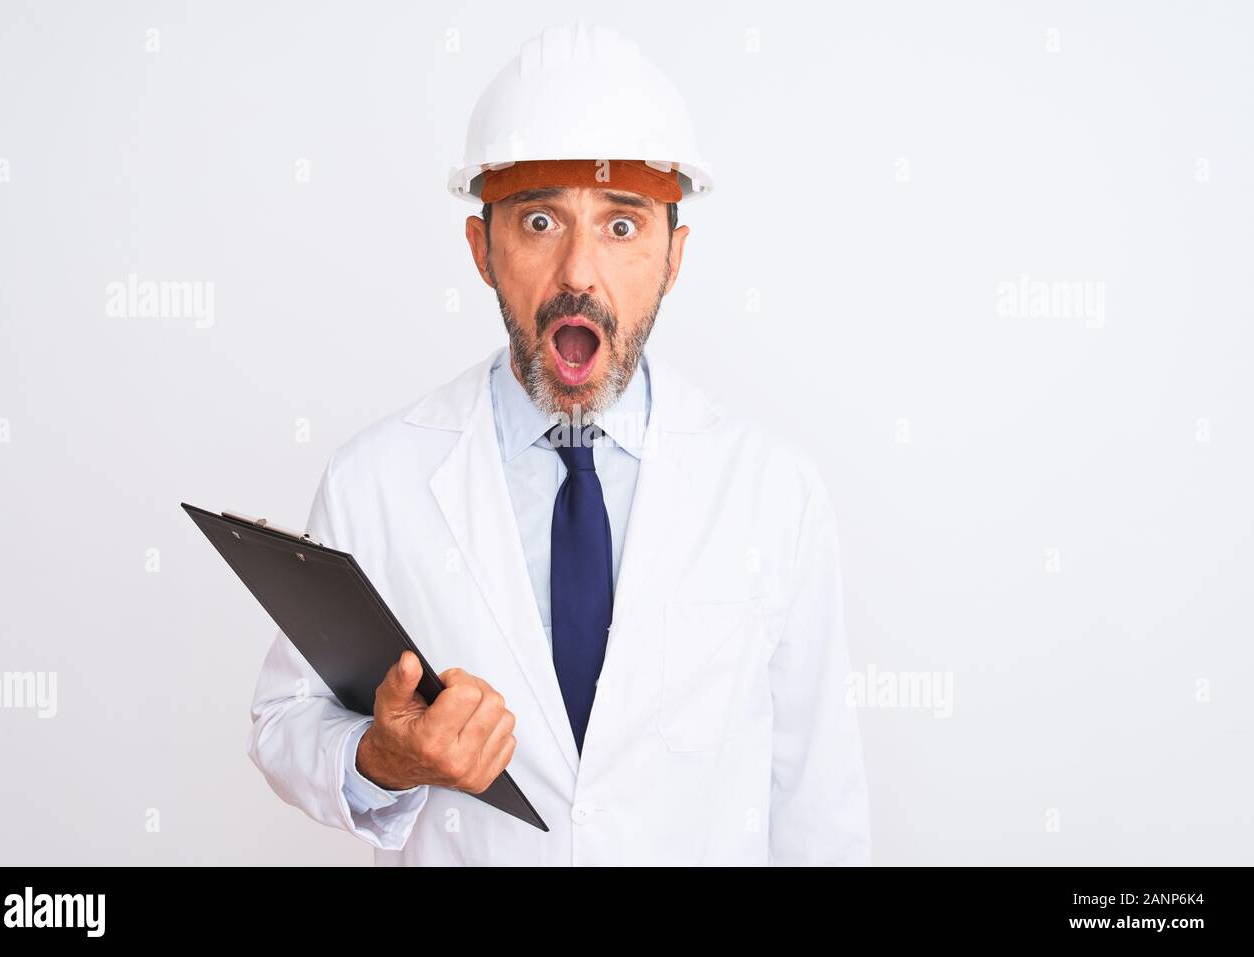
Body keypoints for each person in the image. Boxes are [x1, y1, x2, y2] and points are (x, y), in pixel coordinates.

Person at [246, 22, 871, 866]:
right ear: (482, 249)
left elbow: (817, 803)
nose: (580, 272)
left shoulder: (771, 489)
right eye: (540, 221)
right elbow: (286, 721)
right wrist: (379, 759)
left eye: (622, 227)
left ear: (674, 256)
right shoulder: (377, 480)